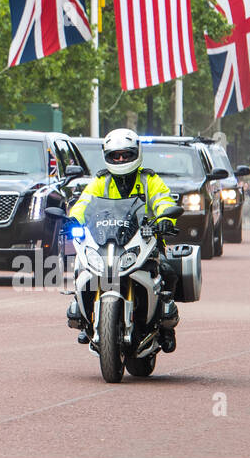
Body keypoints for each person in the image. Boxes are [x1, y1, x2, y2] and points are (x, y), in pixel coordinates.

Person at [66, 128, 181, 351]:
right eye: (115, 155)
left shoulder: (149, 179)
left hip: (144, 239)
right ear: (107, 156)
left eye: (126, 155)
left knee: (167, 271)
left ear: (136, 154)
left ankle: (166, 326)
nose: (120, 160)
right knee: (82, 267)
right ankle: (87, 317)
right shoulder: (101, 181)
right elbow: (84, 203)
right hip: (107, 240)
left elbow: (163, 201)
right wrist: (73, 219)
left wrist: (166, 219)